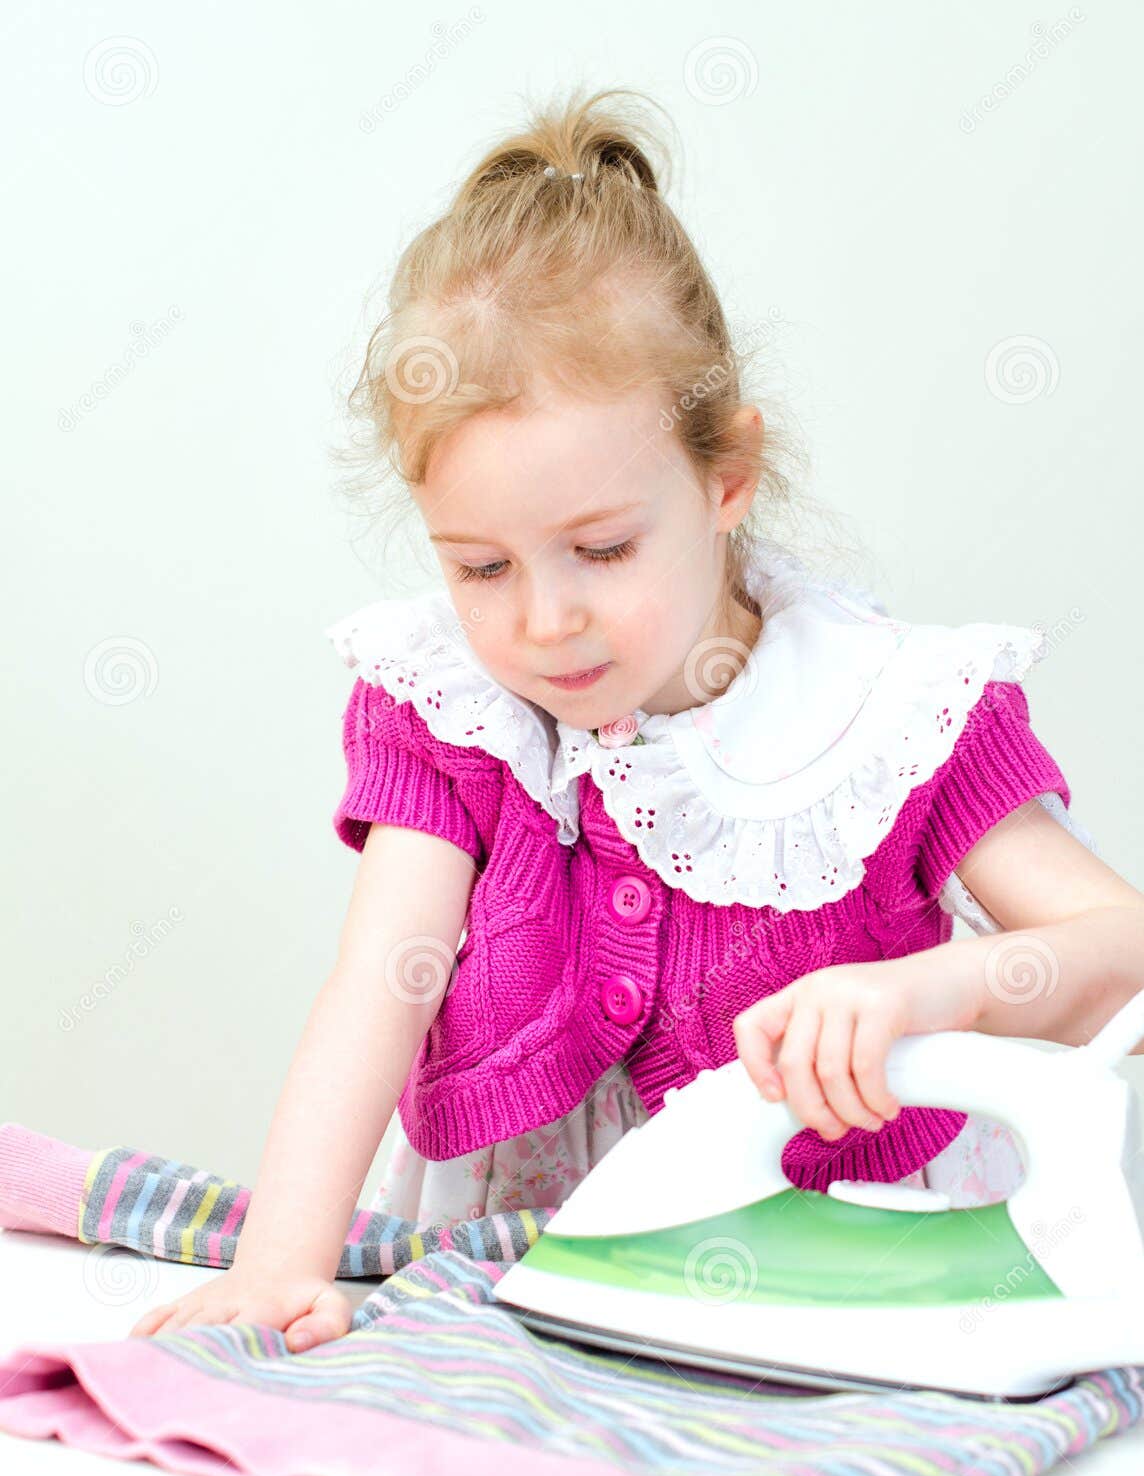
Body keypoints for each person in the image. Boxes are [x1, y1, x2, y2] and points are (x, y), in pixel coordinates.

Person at [5, 86, 1143, 1353]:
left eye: (600, 549)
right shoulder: (452, 715)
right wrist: (280, 1265)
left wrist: (928, 989)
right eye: (480, 568)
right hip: (521, 1290)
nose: (542, 624)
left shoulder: (893, 716)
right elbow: (380, 985)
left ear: (726, 477)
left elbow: (1122, 944)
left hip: (857, 1308)